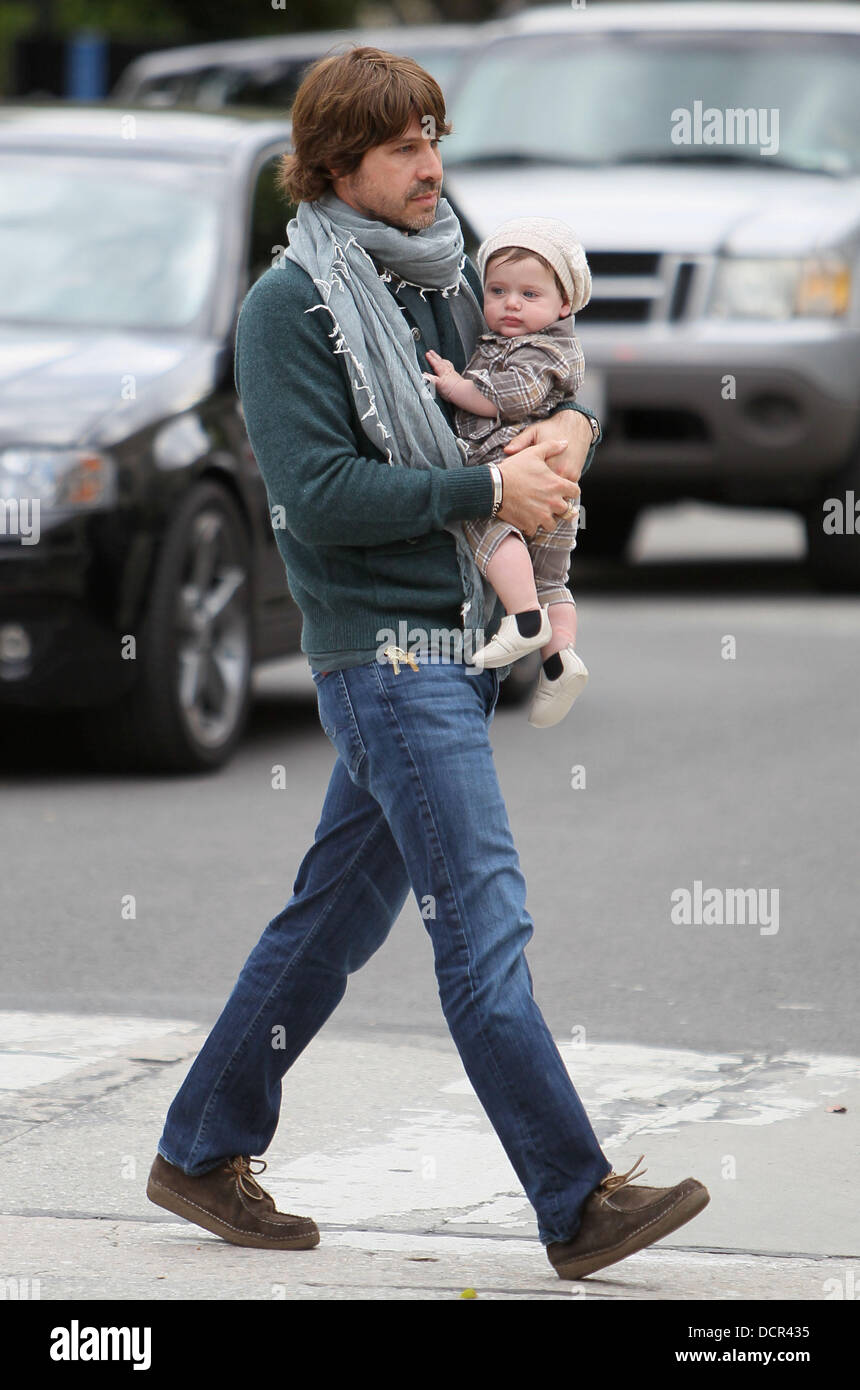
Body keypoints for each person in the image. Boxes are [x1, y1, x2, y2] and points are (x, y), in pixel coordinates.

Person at [146, 46, 709, 1281]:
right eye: (404, 147)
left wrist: (566, 429)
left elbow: (540, 373)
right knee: (483, 921)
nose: (432, 167)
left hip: (460, 643)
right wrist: (489, 483)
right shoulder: (288, 309)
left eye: (434, 138)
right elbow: (320, 494)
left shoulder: (450, 264)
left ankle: (198, 1146)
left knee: (328, 926)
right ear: (336, 163)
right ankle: (576, 1200)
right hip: (384, 654)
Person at [423, 217, 592, 728]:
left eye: (529, 293)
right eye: (497, 291)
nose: (511, 304)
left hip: (517, 474)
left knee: (486, 521)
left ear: (565, 305)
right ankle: (560, 662)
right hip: (557, 488)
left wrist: (455, 387)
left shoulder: (544, 350)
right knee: (552, 580)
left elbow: (507, 398)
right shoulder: (524, 340)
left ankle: (521, 621)